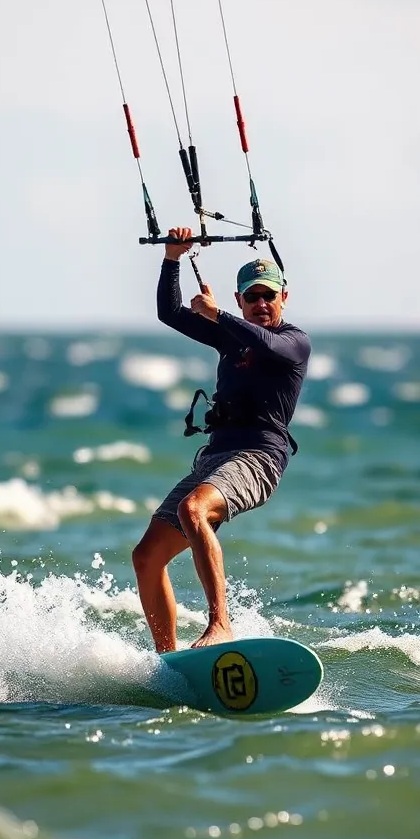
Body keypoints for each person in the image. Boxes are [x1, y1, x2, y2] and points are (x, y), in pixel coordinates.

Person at [132, 226, 311, 653]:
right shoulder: (232, 335)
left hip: (258, 459)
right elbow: (169, 312)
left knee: (193, 508)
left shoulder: (294, 342)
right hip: (214, 458)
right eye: (252, 297)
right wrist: (172, 258)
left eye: (269, 295)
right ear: (240, 301)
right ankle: (169, 660)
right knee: (146, 557)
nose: (262, 304)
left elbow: (267, 345)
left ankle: (220, 624)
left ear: (284, 297)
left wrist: (218, 317)